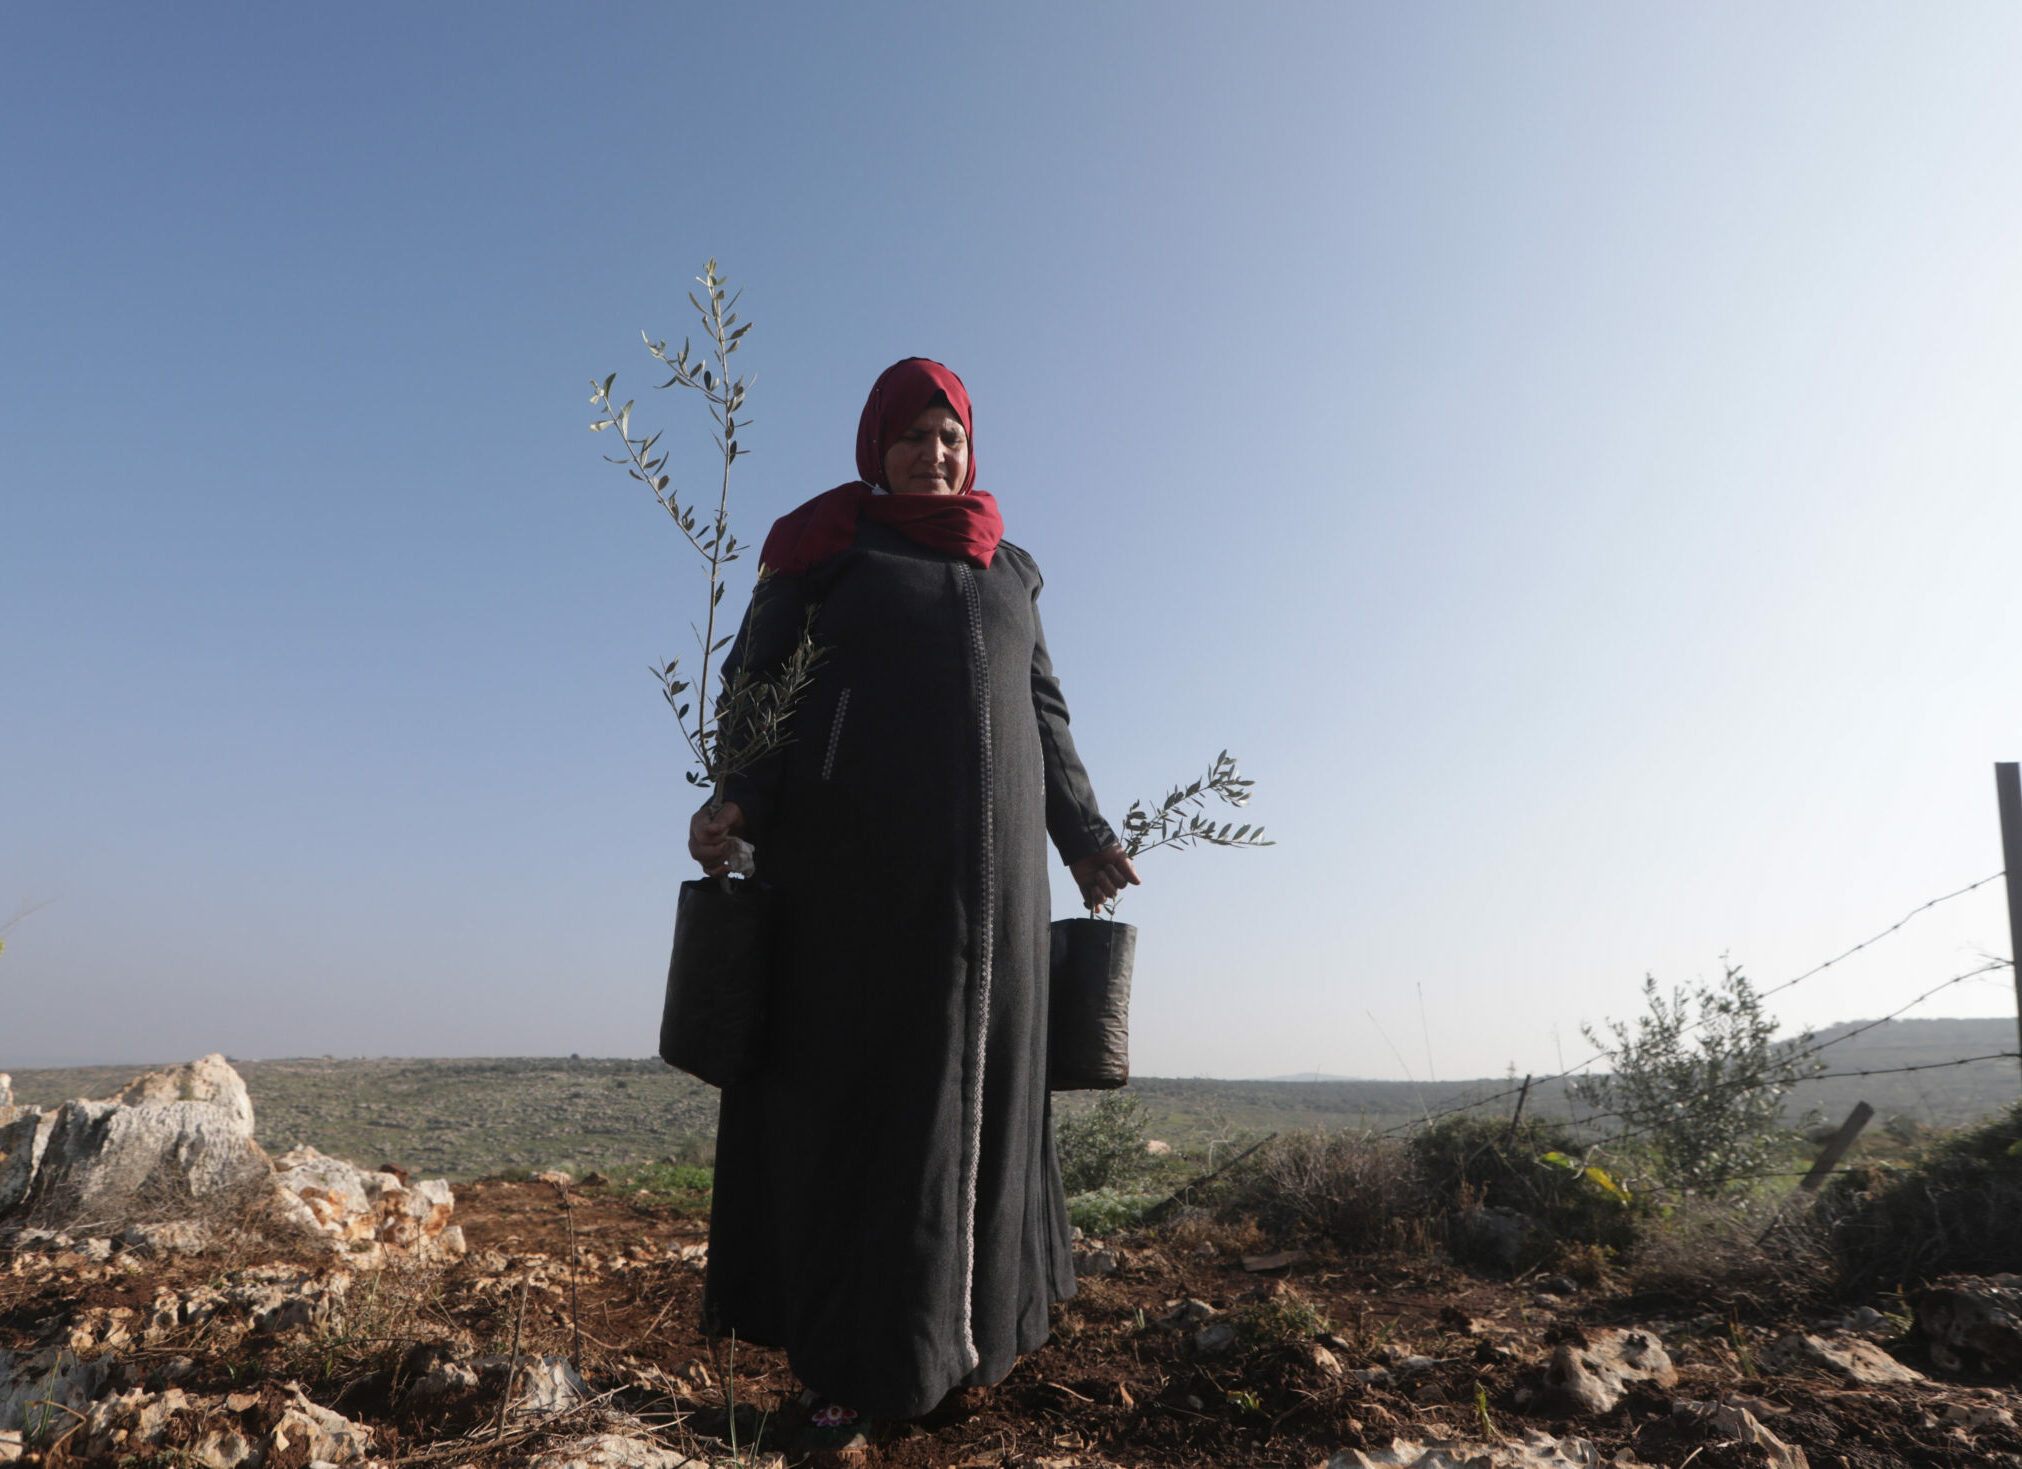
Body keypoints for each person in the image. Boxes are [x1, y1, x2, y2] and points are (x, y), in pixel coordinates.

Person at [687, 357, 1137, 1439]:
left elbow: (1045, 714)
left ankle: (960, 1348)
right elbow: (756, 689)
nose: (935, 455)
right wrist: (737, 797)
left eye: (952, 436)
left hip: (999, 902)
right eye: (913, 436)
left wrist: (1083, 835)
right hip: (858, 884)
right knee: (865, 1113)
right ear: (875, 446)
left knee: (978, 1109)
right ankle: (844, 1368)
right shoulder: (827, 548)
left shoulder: (1011, 570)